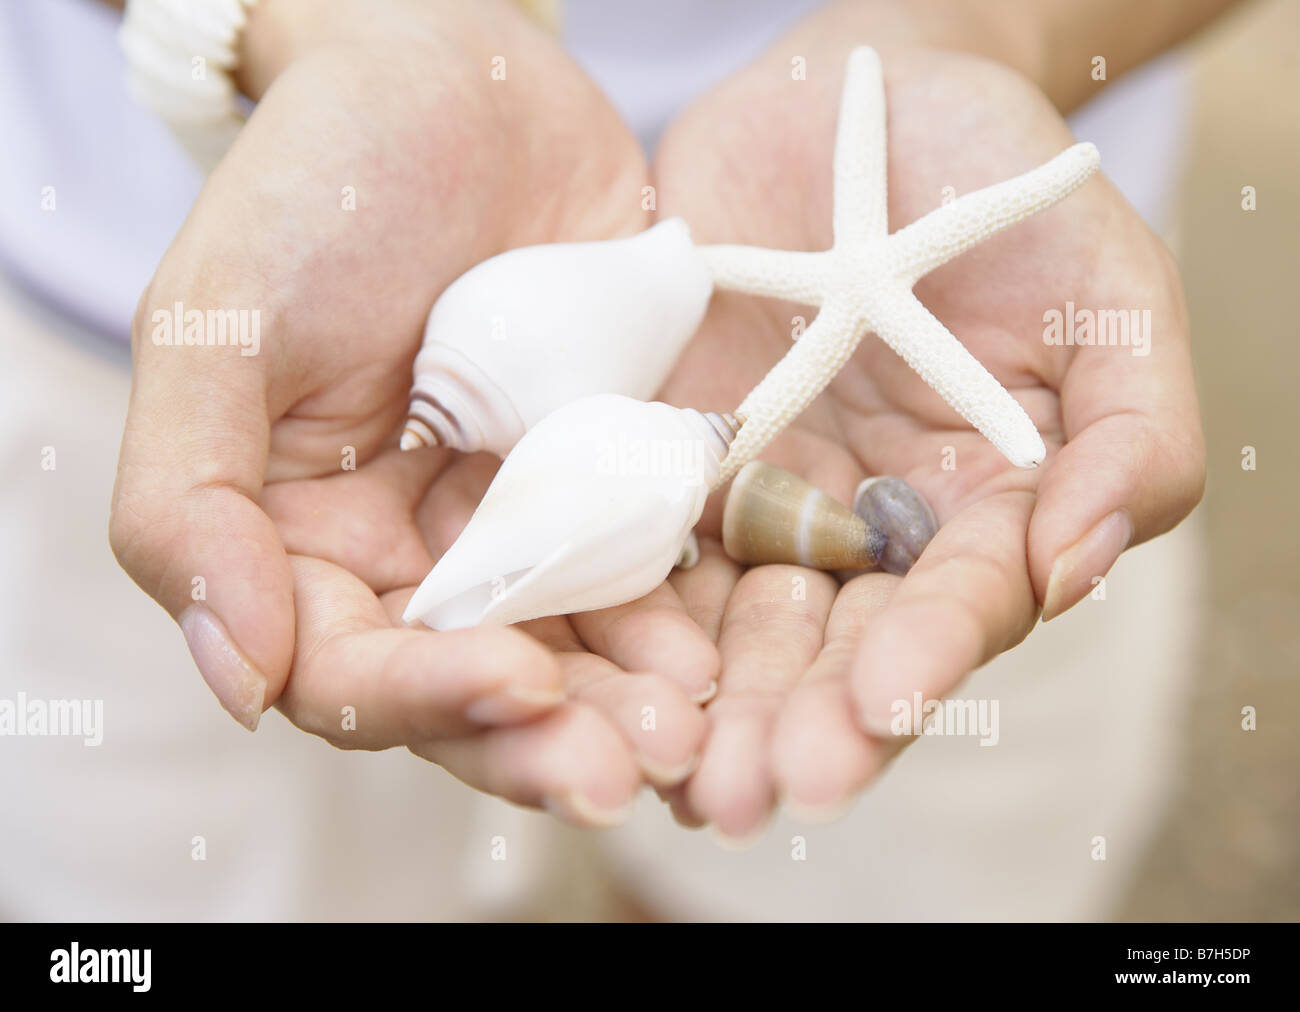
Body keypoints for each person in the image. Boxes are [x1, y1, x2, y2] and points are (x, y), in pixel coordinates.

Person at [1, 0, 1227, 919]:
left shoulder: (949, 368)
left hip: (973, 371)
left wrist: (990, 30)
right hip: (259, 368)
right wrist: (330, 24)